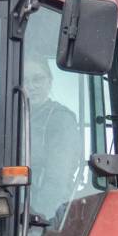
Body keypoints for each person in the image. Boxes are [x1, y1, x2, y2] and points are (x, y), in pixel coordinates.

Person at [26, 61, 82, 220]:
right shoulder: (15, 119)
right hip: (17, 204)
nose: (31, 86)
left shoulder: (60, 119)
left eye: (37, 79)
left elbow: (58, 179)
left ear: (49, 82)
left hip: (44, 213)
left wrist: (37, 217)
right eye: (24, 80)